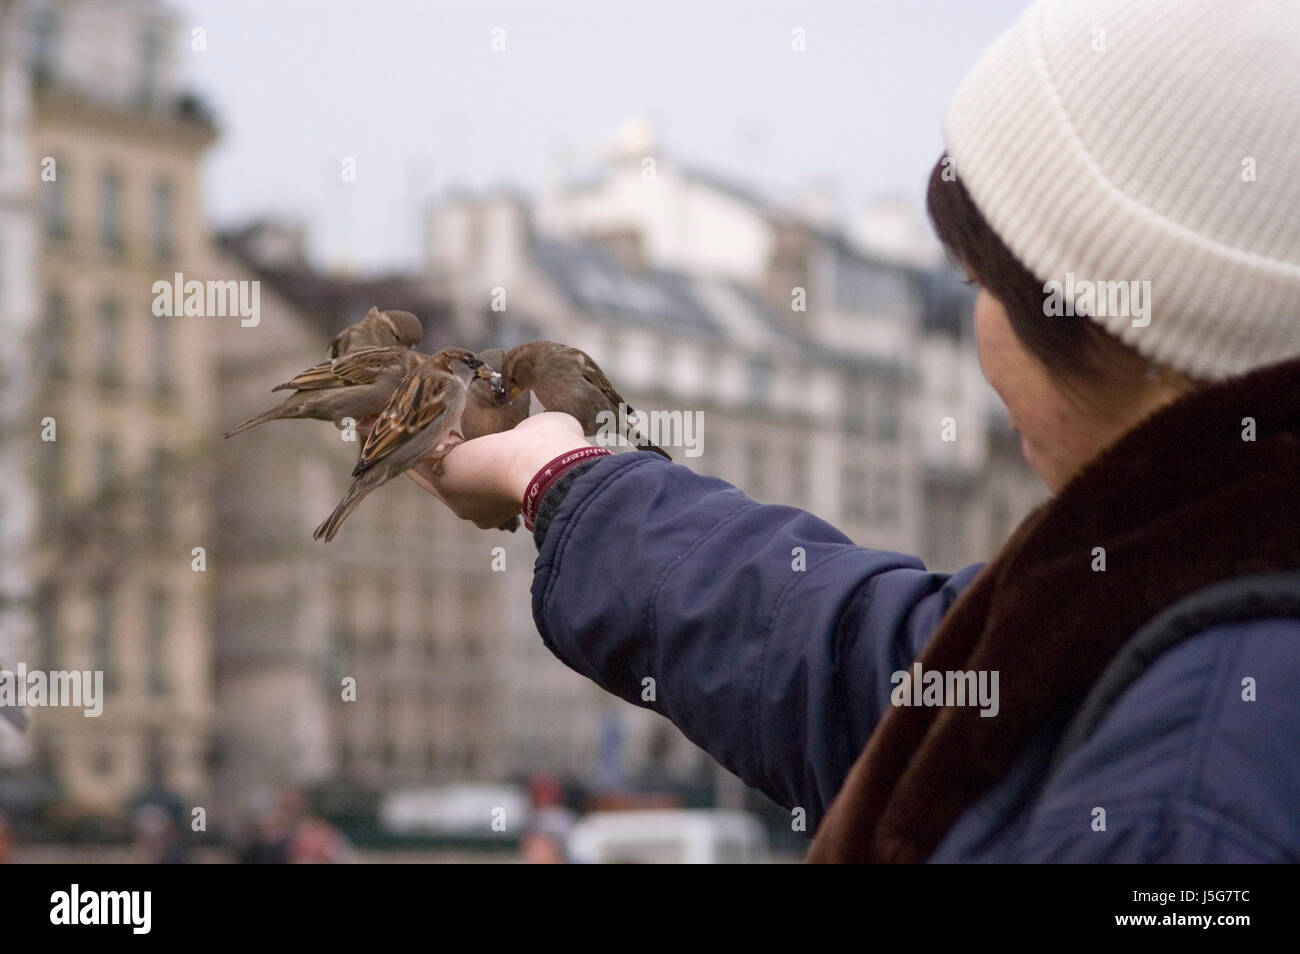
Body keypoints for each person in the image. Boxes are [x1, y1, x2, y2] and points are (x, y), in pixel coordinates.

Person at [410, 0, 1300, 862]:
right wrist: (564, 479)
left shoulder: (1183, 797)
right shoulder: (1167, 585)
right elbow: (865, 665)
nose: (979, 335)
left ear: (1103, 324)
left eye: (977, 284)